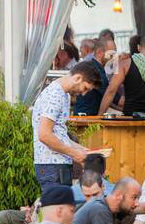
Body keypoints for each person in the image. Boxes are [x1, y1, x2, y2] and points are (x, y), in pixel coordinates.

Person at [30, 64, 103, 194]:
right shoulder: (55, 95)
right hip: (51, 165)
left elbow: (58, 134)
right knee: (57, 209)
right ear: (77, 78)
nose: (84, 93)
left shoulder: (63, 94)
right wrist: (74, 153)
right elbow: (44, 135)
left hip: (55, 165)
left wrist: (81, 149)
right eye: (85, 88)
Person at [97, 34, 145, 116]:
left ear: (138, 48)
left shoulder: (124, 65)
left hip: (131, 118)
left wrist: (99, 116)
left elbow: (111, 91)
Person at [71, 38, 109, 117]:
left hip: (84, 114)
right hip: (85, 117)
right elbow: (109, 93)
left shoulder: (92, 64)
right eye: (111, 54)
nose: (115, 57)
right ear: (99, 53)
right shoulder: (94, 67)